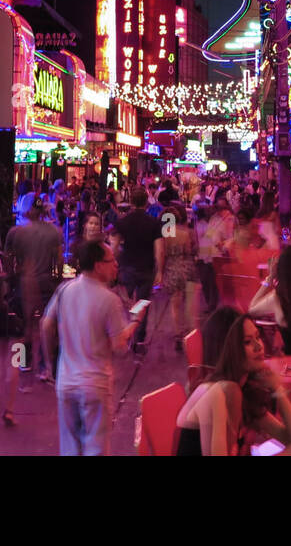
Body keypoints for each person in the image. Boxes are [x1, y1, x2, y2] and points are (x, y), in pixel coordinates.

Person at [42, 240, 144, 456]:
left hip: (66, 382)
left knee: (70, 447)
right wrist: (134, 322)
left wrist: (50, 364)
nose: (116, 264)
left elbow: (45, 325)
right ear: (98, 265)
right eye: (111, 260)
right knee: (95, 448)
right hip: (95, 384)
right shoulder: (109, 300)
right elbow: (119, 347)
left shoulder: (64, 290)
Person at [174, 315, 291, 455]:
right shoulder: (219, 391)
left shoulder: (243, 390)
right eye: (247, 342)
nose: (259, 346)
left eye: (257, 337)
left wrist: (278, 389)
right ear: (227, 350)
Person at [6, 201, 63, 379]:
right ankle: (46, 366)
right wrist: (58, 278)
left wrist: (12, 277)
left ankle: (21, 363)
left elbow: (9, 258)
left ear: (29, 212)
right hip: (46, 281)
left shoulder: (17, 233)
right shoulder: (53, 231)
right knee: (48, 324)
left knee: (24, 325)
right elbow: (59, 260)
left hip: (25, 281)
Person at [113, 189, 160, 350]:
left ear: (131, 202)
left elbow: (114, 247)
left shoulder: (123, 222)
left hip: (127, 266)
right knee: (142, 302)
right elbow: (160, 249)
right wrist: (160, 270)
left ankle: (125, 332)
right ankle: (139, 336)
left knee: (126, 302)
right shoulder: (153, 223)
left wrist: (115, 263)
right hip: (146, 268)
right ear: (146, 202)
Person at [155, 202, 198, 348]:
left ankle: (179, 334)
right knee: (188, 303)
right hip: (186, 267)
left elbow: (161, 254)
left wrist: (160, 272)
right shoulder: (184, 233)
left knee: (175, 303)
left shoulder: (163, 235)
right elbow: (188, 251)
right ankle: (189, 331)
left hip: (171, 269)